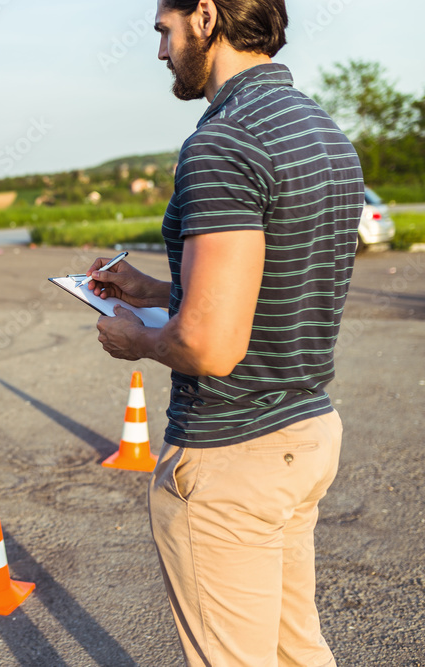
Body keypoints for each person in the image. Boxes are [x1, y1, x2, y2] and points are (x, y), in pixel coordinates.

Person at [88, 1, 363, 665]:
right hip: (306, 435)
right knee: (297, 648)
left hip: (232, 457)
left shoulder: (223, 141)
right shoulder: (325, 134)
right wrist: (152, 290)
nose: (161, 52)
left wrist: (136, 339)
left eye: (164, 30)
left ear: (205, 16)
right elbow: (272, 281)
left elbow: (210, 346)